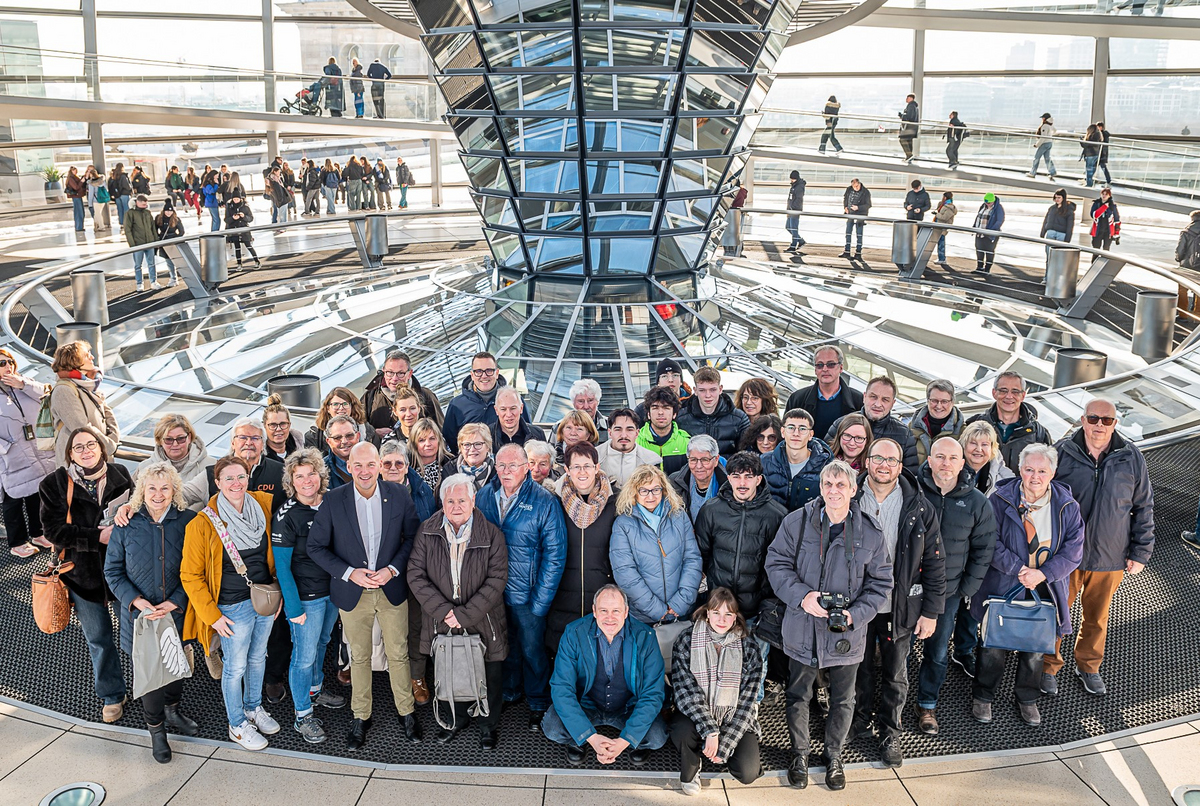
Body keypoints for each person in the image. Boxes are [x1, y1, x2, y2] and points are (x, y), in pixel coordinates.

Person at [765, 460, 893, 791]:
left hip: (845, 633)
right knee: (797, 694)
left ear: (853, 490)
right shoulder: (797, 522)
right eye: (827, 485)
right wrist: (801, 596)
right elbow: (776, 563)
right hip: (802, 626)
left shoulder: (870, 532)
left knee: (843, 698)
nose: (833, 491)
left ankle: (834, 755)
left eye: (840, 485)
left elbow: (881, 583)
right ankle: (800, 754)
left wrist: (856, 614)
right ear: (820, 488)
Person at [307, 441, 423, 749]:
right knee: (358, 657)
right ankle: (361, 716)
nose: (364, 471)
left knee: (398, 653)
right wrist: (349, 573)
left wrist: (393, 570)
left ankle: (407, 712)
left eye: (371, 464)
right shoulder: (333, 500)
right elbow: (315, 547)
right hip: (352, 591)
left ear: (379, 466)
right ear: (348, 467)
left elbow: (413, 537)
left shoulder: (398, 494)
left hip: (390, 588)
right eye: (357, 465)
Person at [1041, 399, 1153, 697]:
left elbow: (1143, 506)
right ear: (1082, 420)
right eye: (1093, 418)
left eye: (1106, 420)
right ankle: (1048, 666)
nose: (1099, 425)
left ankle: (1088, 666)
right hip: (1065, 556)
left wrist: (1140, 552)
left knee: (1097, 617)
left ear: (1115, 423)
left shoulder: (1130, 457)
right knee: (1054, 613)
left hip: (1110, 556)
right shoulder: (1063, 451)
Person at [970, 444, 1084, 727]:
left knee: (1034, 647)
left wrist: (1042, 573)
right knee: (993, 644)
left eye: (1042, 471)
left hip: (1043, 587)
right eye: (1029, 469)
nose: (1035, 476)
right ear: (1019, 469)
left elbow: (1074, 550)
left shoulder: (1067, 505)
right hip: (1003, 582)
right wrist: (1018, 568)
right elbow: (989, 541)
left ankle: (1027, 699)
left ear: (1053, 473)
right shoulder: (999, 498)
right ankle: (983, 696)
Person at [851, 438, 944, 767]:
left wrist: (930, 612)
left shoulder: (919, 506)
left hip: (899, 607)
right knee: (857, 668)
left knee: (895, 673)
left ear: (900, 466)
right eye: (878, 458)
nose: (884, 465)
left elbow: (935, 562)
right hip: (857, 606)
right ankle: (860, 720)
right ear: (867, 461)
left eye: (891, 460)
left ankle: (891, 732)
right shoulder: (849, 497)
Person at [181, 455, 280, 750]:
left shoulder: (262, 505)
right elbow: (190, 575)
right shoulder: (203, 523)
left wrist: (278, 596)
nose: (236, 484)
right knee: (234, 666)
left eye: (241, 477)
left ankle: (253, 708)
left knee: (258, 658)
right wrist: (212, 615)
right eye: (229, 479)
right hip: (231, 606)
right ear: (217, 482)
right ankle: (236, 724)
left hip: (263, 598)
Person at [103, 461, 197, 763]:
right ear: (142, 490)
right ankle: (156, 731)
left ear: (174, 491)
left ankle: (173, 711)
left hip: (175, 614)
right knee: (150, 678)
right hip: (140, 619)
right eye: (152, 487)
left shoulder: (188, 522)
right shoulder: (126, 523)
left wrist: (176, 602)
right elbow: (113, 571)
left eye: (165, 488)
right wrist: (138, 603)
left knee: (176, 668)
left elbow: (198, 569)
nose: (158, 494)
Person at [40, 427, 132, 723]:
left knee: (135, 635)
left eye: (91, 444)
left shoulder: (120, 474)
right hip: (83, 575)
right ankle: (112, 696)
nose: (86, 451)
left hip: (122, 570)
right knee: (99, 638)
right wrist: (96, 537)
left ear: (101, 448)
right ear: (69, 453)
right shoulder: (54, 484)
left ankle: (149, 688)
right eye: (78, 447)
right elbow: (53, 532)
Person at [408, 474, 508, 747]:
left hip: (483, 619)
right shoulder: (427, 530)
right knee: (449, 673)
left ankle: (488, 726)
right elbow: (415, 575)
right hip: (442, 620)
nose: (456, 506)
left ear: (473, 500)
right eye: (450, 500)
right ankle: (456, 720)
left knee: (490, 674)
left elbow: (497, 579)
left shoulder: (491, 534)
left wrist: (464, 615)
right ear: (442, 502)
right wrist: (444, 612)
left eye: (462, 500)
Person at [476, 443, 568, 729]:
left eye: (513, 465)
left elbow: (555, 554)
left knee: (532, 650)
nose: (506, 471)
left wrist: (540, 601)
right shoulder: (484, 496)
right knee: (504, 647)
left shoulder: (543, 501)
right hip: (492, 592)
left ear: (526, 467)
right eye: (501, 465)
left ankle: (538, 702)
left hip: (527, 595)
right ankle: (511, 691)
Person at [914, 436, 997, 735]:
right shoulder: (912, 490)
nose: (945, 463)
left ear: (962, 463)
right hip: (909, 589)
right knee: (899, 650)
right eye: (940, 457)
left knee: (936, 652)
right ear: (930, 460)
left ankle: (927, 703)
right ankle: (890, 703)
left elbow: (984, 550)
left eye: (952, 458)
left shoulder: (977, 502)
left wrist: (966, 590)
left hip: (946, 594)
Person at [542, 584, 668, 766]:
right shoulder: (574, 633)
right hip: (586, 705)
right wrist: (591, 737)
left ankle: (631, 743)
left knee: (657, 737)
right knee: (552, 728)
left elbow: (653, 693)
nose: (610, 617)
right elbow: (562, 687)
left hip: (627, 708)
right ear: (594, 611)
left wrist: (624, 741)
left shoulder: (646, 636)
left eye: (616, 611)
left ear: (626, 612)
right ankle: (580, 740)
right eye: (603, 610)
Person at [272, 449, 348, 745]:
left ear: (321, 475)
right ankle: (302, 714)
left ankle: (315, 691)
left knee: (323, 643)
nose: (307, 481)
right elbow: (282, 566)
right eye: (299, 476)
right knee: (303, 658)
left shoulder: (332, 502)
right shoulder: (287, 516)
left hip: (333, 591)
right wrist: (293, 608)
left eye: (311, 473)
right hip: (306, 598)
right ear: (292, 480)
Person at [671, 588, 766, 793]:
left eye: (728, 614)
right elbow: (684, 691)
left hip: (732, 715)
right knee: (681, 731)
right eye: (716, 612)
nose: (721, 619)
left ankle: (720, 754)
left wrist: (727, 743)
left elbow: (747, 702)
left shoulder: (749, 647)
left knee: (748, 772)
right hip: (695, 712)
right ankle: (693, 766)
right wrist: (711, 730)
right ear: (707, 613)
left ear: (735, 618)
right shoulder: (687, 639)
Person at [695, 452, 786, 628]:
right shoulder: (711, 510)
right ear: (729, 478)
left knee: (754, 655)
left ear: (758, 480)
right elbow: (702, 555)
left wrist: (765, 599)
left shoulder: (776, 515)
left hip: (755, 610)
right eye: (736, 477)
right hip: (718, 608)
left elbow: (780, 563)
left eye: (748, 477)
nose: (742, 483)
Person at [379, 439, 437, 705]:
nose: (393, 467)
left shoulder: (421, 491)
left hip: (415, 570)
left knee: (416, 626)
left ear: (406, 466)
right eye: (387, 463)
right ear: (379, 466)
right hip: (379, 572)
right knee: (383, 628)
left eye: (398, 463)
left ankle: (416, 676)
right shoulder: (369, 490)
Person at [547, 442, 618, 652]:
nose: (582, 472)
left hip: (602, 596)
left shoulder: (615, 504)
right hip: (563, 597)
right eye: (576, 467)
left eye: (587, 466)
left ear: (597, 467)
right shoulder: (555, 503)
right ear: (567, 471)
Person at [610, 464, 702, 626]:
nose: (650, 496)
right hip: (643, 616)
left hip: (680, 612)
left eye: (655, 489)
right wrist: (656, 609)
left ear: (664, 490)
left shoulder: (679, 516)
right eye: (643, 490)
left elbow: (692, 559)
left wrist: (680, 602)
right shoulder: (623, 524)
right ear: (634, 493)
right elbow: (625, 572)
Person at [0, 348, 55, 558]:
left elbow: (48, 397)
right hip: (9, 455)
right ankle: (17, 542)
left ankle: (37, 533)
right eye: (2, 364)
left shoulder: (24, 382)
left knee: (36, 492)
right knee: (13, 499)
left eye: (10, 361)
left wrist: (23, 385)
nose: (8, 367)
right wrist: (5, 448)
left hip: (35, 448)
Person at [825, 376, 918, 475]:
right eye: (873, 397)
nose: (878, 404)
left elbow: (909, 475)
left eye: (885, 400)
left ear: (893, 403)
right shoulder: (841, 424)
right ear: (864, 397)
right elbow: (822, 458)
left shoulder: (904, 434)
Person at [966, 371, 1051, 473]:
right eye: (1003, 390)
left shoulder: (1038, 434)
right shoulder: (974, 425)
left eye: (1015, 391)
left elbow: (1047, 471)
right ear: (994, 393)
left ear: (1023, 395)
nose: (1009, 396)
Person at [49, 341, 118, 467]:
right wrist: (107, 445)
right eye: (87, 355)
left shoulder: (89, 385)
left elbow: (106, 413)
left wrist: (113, 438)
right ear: (73, 361)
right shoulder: (64, 390)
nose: (92, 357)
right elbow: (80, 426)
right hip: (80, 460)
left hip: (98, 453)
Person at [443, 352, 521, 453]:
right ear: (472, 375)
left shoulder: (513, 400)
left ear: (497, 373)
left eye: (489, 371)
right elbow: (450, 440)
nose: (484, 376)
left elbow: (526, 431)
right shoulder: (457, 405)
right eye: (478, 371)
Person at [762, 407, 833, 513]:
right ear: (782, 432)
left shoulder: (826, 466)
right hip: (770, 525)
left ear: (810, 435)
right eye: (791, 427)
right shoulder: (764, 461)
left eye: (802, 429)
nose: (796, 433)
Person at [785, 346, 863, 439]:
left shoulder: (858, 400)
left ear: (841, 368)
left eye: (831, 364)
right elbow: (787, 433)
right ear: (815, 370)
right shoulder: (797, 399)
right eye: (820, 365)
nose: (825, 369)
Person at [135, 414, 209, 510]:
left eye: (180, 438)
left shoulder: (210, 466)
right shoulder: (144, 468)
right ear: (159, 440)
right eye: (168, 440)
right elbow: (135, 502)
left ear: (189, 437)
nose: (175, 444)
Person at [674, 367, 750, 458]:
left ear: (720, 389)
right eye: (702, 390)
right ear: (695, 391)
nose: (708, 395)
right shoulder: (680, 418)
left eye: (712, 390)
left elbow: (746, 456)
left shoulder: (739, 419)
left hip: (728, 470)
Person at [361, 348, 443, 432]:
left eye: (400, 373)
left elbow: (440, 431)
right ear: (384, 372)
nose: (394, 378)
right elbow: (359, 429)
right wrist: (375, 433)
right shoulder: (369, 398)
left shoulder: (426, 396)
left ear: (410, 374)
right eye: (390, 372)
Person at [305, 387, 380, 455]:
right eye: (335, 404)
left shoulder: (368, 431)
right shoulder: (314, 435)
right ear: (328, 408)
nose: (341, 408)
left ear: (352, 406)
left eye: (345, 404)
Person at [597, 408, 660, 486]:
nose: (623, 435)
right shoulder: (594, 458)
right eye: (618, 429)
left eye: (629, 430)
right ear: (610, 433)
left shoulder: (651, 461)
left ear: (637, 433)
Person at [636, 386, 691, 475]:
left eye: (666, 408)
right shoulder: (636, 442)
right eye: (655, 407)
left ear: (674, 414)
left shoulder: (686, 443)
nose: (660, 412)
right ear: (648, 414)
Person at [907, 379, 964, 465]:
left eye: (944, 401)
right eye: (934, 401)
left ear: (952, 402)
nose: (939, 406)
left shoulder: (962, 432)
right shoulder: (912, 427)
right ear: (927, 400)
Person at [960, 420, 1014, 498]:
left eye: (984, 444)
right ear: (964, 445)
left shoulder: (1005, 481)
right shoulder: (950, 471)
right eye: (973, 443)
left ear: (992, 448)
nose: (979, 449)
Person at [633, 358, 693, 422]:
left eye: (675, 375)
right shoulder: (643, 409)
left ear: (681, 381)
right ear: (658, 382)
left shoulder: (693, 405)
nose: (670, 380)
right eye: (664, 376)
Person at [409, 417, 452, 498]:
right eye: (421, 440)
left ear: (439, 440)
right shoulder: (408, 469)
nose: (428, 444)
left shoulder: (451, 466)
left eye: (432, 438)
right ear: (414, 444)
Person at [444, 422, 495, 490]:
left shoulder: (499, 468)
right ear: (460, 448)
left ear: (488, 446)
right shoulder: (449, 470)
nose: (472, 449)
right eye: (467, 444)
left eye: (477, 444)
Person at [125, 194, 158, 291]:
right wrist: (132, 245)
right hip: (138, 244)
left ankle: (153, 281)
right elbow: (128, 229)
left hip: (150, 242)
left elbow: (152, 227)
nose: (145, 206)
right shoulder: (130, 213)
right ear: (137, 202)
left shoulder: (147, 213)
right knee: (138, 264)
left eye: (146, 204)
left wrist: (155, 241)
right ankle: (139, 283)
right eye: (143, 204)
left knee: (151, 263)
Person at [224, 192, 262, 270]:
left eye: (237, 199)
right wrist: (232, 218)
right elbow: (226, 219)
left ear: (240, 199)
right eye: (234, 199)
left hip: (244, 229)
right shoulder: (229, 207)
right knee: (237, 247)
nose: (235, 201)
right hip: (234, 230)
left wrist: (244, 216)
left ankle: (257, 261)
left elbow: (251, 218)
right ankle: (239, 264)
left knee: (248, 245)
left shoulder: (245, 207)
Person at [263, 394, 304, 462]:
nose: (278, 429)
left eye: (283, 424)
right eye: (273, 425)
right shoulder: (260, 456)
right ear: (265, 426)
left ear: (289, 425)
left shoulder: (298, 444)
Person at [153, 201, 183, 288]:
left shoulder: (176, 219)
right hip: (163, 241)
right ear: (164, 211)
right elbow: (155, 229)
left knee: (175, 260)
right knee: (168, 261)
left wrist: (176, 239)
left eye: (170, 211)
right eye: (167, 211)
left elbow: (182, 231)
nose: (169, 213)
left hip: (172, 242)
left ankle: (174, 278)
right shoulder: (159, 218)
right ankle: (173, 277)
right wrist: (158, 238)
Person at [1040, 188, 1076, 261]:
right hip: (1050, 233)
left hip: (1061, 235)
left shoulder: (1069, 210)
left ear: (1063, 198)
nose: (1057, 199)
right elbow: (1046, 220)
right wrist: (1042, 233)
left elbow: (1070, 225)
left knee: (1059, 257)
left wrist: (1067, 239)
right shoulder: (1052, 208)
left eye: (1059, 197)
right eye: (1056, 197)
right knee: (1049, 256)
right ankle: (1048, 272)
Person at [973, 192, 1005, 274]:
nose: (987, 204)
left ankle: (987, 269)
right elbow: (978, 218)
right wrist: (975, 228)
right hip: (980, 233)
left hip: (990, 234)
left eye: (989, 203)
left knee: (989, 251)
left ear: (993, 201)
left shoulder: (998, 208)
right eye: (985, 202)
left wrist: (991, 230)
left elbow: (999, 221)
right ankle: (979, 267)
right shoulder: (983, 206)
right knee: (979, 250)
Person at [840, 178, 871, 259]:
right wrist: (845, 207)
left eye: (857, 186)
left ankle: (858, 253)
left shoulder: (865, 192)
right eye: (854, 186)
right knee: (848, 232)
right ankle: (847, 251)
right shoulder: (849, 189)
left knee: (859, 234)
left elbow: (868, 205)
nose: (856, 188)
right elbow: (845, 199)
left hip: (860, 214)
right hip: (850, 213)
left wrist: (858, 207)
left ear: (859, 184)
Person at [570, 379, 608, 443]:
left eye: (590, 400)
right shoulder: (559, 427)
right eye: (581, 401)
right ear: (573, 403)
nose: (586, 406)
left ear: (597, 401)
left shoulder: (611, 426)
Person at [1029, 113, 1058, 179]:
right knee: (1047, 159)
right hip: (1049, 143)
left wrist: (1037, 145)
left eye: (1043, 117)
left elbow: (1043, 137)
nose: (1042, 119)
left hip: (1044, 144)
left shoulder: (1045, 126)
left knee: (1036, 158)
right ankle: (1052, 172)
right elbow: (1055, 131)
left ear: (1045, 118)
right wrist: (1049, 135)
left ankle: (1032, 173)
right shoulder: (1050, 125)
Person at [932, 191, 957, 264]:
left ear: (945, 197)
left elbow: (945, 217)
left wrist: (937, 214)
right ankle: (941, 258)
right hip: (938, 227)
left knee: (941, 243)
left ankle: (942, 258)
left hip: (942, 228)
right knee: (939, 242)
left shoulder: (949, 207)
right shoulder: (943, 205)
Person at [784, 170, 806, 252]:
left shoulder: (799, 187)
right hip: (790, 210)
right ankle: (800, 240)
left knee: (793, 228)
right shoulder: (794, 186)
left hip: (795, 210)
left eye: (793, 179)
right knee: (788, 227)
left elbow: (799, 199)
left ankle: (793, 245)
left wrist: (793, 208)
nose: (791, 180)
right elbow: (790, 199)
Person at [87, 166, 112, 232]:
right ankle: (96, 224)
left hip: (96, 200)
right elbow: (106, 189)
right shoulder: (102, 181)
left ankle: (101, 226)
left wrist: (90, 204)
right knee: (97, 213)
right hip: (103, 199)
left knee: (98, 214)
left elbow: (91, 194)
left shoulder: (92, 183)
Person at [108, 163, 133, 227]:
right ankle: (127, 222)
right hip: (124, 194)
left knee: (119, 209)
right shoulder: (123, 176)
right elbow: (126, 186)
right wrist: (130, 188)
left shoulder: (114, 176)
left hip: (117, 195)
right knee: (126, 209)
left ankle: (121, 223)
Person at [898, 94, 919, 162]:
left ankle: (909, 155)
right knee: (909, 141)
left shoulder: (911, 106)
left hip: (909, 128)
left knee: (902, 140)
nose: (906, 99)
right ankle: (909, 157)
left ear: (911, 98)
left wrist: (902, 116)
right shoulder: (914, 106)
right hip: (912, 128)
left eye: (907, 98)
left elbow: (910, 117)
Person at [66, 166, 87, 232]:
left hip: (77, 196)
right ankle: (79, 227)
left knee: (80, 211)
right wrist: (81, 181)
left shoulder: (73, 177)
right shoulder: (71, 179)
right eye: (74, 170)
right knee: (79, 211)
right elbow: (76, 187)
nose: (76, 172)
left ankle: (80, 226)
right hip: (76, 196)